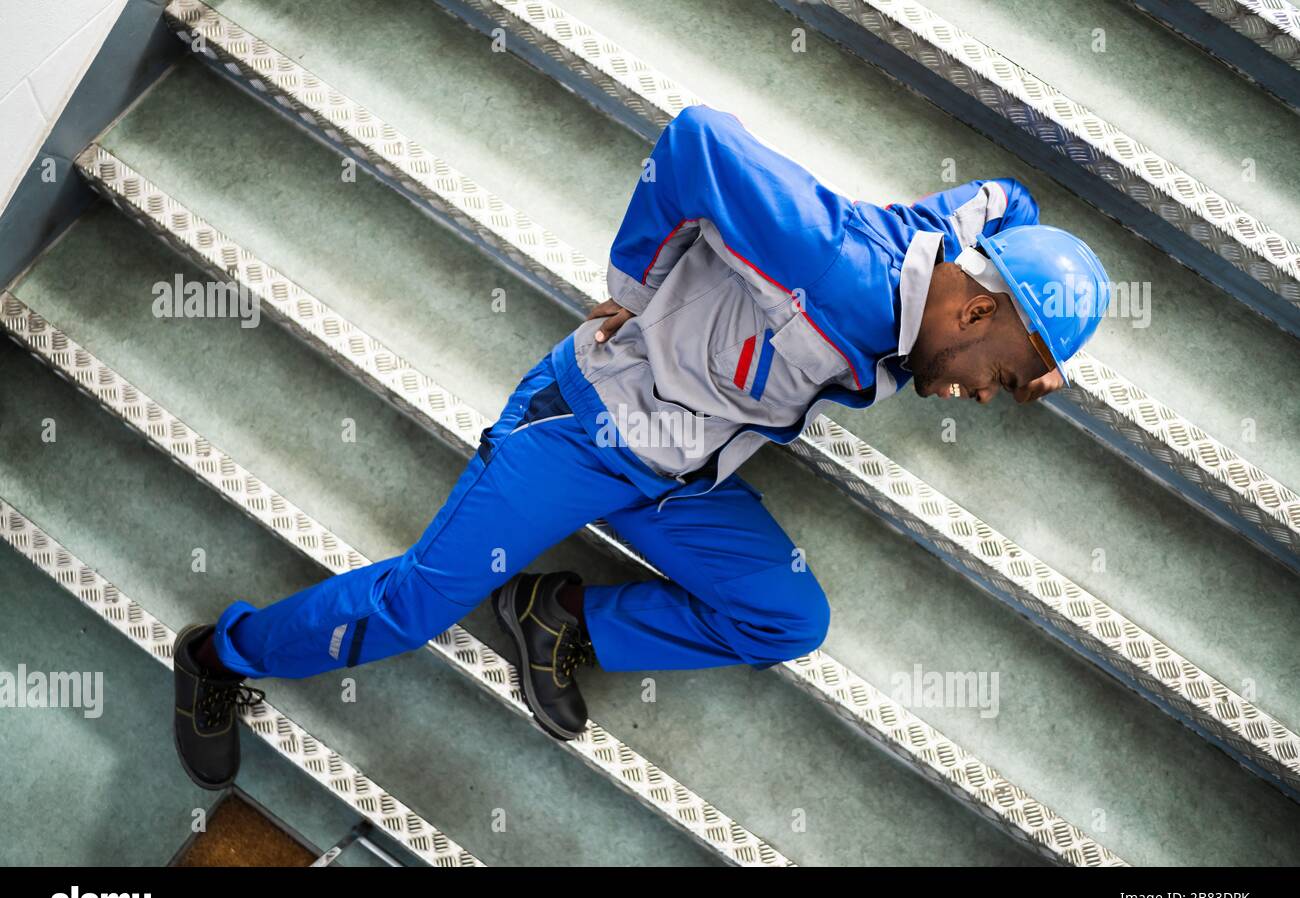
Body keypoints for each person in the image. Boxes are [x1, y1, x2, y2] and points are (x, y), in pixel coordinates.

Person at [172, 105, 1109, 789]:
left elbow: (1008, 199)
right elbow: (697, 139)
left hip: (682, 472)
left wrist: (1040, 343)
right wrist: (636, 282)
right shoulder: (837, 265)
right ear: (975, 307)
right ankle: (223, 656)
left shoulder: (953, 257)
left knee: (788, 621)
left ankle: (557, 616)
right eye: (999, 371)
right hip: (582, 427)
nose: (988, 393)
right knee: (415, 604)